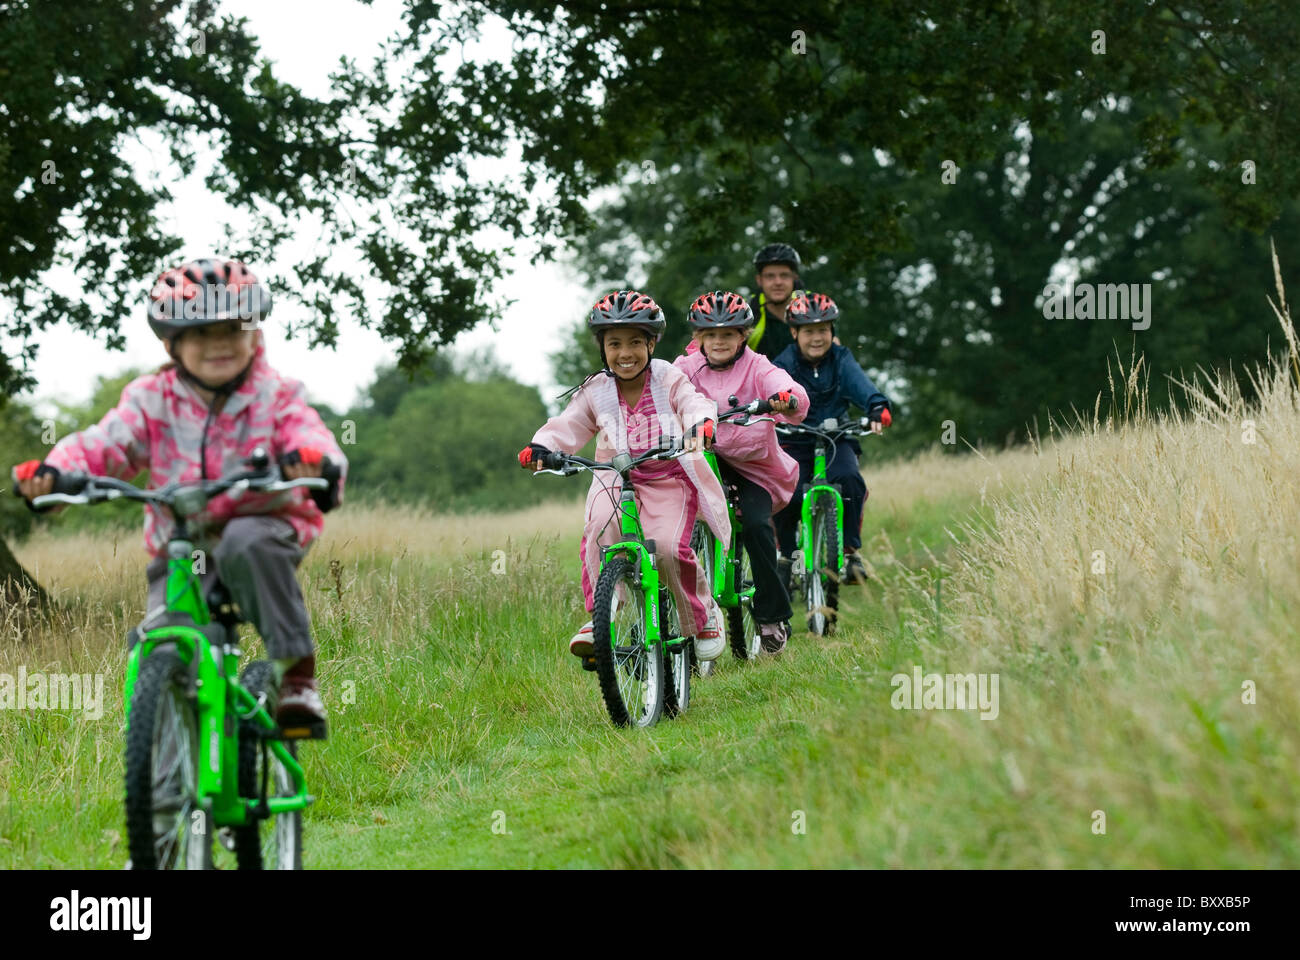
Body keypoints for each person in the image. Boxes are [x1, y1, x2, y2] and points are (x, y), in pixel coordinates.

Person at [11, 257, 346, 725]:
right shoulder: (151, 399)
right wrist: (55, 472)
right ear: (172, 343)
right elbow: (104, 444)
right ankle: (170, 781)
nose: (219, 345)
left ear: (254, 332)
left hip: (263, 527)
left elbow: (309, 436)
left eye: (232, 329)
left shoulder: (277, 395)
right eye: (201, 334)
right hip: (184, 542)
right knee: (167, 642)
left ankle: (296, 679)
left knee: (245, 541)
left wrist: (314, 463)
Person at [518, 290, 731, 662]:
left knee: (666, 547)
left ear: (652, 343)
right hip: (612, 476)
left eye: (635, 342)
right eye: (614, 344)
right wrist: (542, 447)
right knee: (600, 527)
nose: (625, 353)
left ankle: (702, 614)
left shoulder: (669, 378)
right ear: (603, 349)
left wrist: (701, 425)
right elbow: (568, 425)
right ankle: (605, 617)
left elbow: (694, 403)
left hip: (668, 476)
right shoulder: (595, 390)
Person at [673, 290, 809, 654]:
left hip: (752, 469)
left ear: (743, 335)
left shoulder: (757, 365)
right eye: (711, 334)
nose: (719, 341)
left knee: (757, 525)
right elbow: (664, 391)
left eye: (728, 334)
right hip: (701, 464)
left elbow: (787, 387)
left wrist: (786, 397)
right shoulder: (685, 368)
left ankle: (770, 616)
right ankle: (691, 614)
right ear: (698, 337)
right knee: (674, 532)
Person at [773, 292, 891, 586]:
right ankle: (786, 556)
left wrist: (876, 407)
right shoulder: (783, 362)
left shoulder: (841, 358)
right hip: (794, 439)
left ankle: (850, 553)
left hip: (838, 437)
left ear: (832, 332)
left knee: (850, 479)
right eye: (809, 331)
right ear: (794, 332)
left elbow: (861, 385)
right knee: (786, 492)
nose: (817, 338)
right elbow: (771, 391)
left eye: (823, 330)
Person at [746, 243, 806, 362]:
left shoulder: (810, 304)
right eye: (770, 276)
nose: (778, 282)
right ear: (759, 280)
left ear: (794, 278)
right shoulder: (746, 312)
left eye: (784, 275)